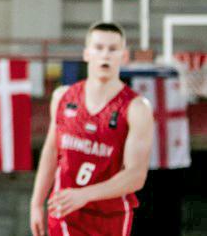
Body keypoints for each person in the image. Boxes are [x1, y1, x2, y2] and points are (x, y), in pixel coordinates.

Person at [30, 22, 154, 236]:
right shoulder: (63, 97)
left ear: (124, 56)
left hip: (111, 217)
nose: (105, 55)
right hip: (65, 210)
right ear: (87, 53)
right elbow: (51, 153)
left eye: (112, 49)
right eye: (98, 47)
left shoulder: (136, 108)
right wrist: (36, 203)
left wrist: (85, 194)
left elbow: (136, 175)